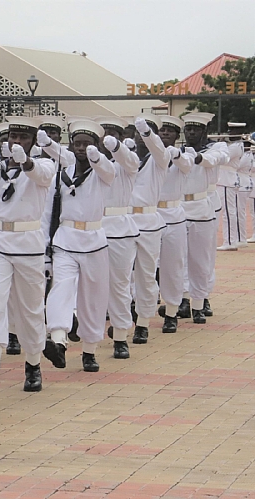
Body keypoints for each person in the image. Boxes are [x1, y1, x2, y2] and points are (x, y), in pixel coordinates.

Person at [0, 118, 54, 393]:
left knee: (30, 308)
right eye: (13, 136)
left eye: (23, 137)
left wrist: (25, 162)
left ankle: (34, 364)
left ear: (33, 141)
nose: (16, 141)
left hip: (28, 243)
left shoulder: (44, 163)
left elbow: (41, 175)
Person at [42, 120, 115, 372]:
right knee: (61, 288)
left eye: (87, 144)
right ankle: (59, 340)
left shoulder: (103, 172)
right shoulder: (61, 172)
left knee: (93, 298)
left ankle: (89, 349)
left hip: (94, 240)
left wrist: (98, 158)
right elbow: (49, 211)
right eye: (78, 144)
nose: (82, 148)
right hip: (65, 238)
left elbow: (108, 170)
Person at [95, 116, 139, 358]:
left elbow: (130, 160)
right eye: (103, 133)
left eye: (112, 133)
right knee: (91, 285)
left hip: (119, 229)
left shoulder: (127, 163)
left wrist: (116, 147)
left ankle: (121, 335)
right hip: (91, 229)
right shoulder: (89, 163)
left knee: (120, 285)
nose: (106, 137)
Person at [180, 113, 229, 324]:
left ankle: (202, 295)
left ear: (204, 131)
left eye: (196, 129)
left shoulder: (216, 148)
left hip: (205, 204)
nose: (191, 133)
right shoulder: (177, 151)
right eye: (188, 129)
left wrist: (198, 157)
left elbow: (217, 159)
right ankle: (183, 297)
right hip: (180, 206)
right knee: (179, 258)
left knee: (203, 257)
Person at [127, 114, 170, 345]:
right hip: (125, 221)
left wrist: (148, 132)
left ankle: (143, 323)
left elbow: (158, 148)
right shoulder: (127, 158)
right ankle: (122, 321)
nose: (142, 137)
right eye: (139, 132)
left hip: (148, 221)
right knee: (121, 275)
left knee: (145, 275)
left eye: (149, 133)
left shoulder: (160, 160)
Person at [154, 116, 192, 333]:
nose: (165, 134)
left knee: (172, 267)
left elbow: (186, 165)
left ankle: (171, 312)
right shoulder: (150, 156)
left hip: (173, 214)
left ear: (178, 136)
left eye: (170, 131)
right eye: (162, 130)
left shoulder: (184, 155)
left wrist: (175, 153)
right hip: (151, 214)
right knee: (144, 267)